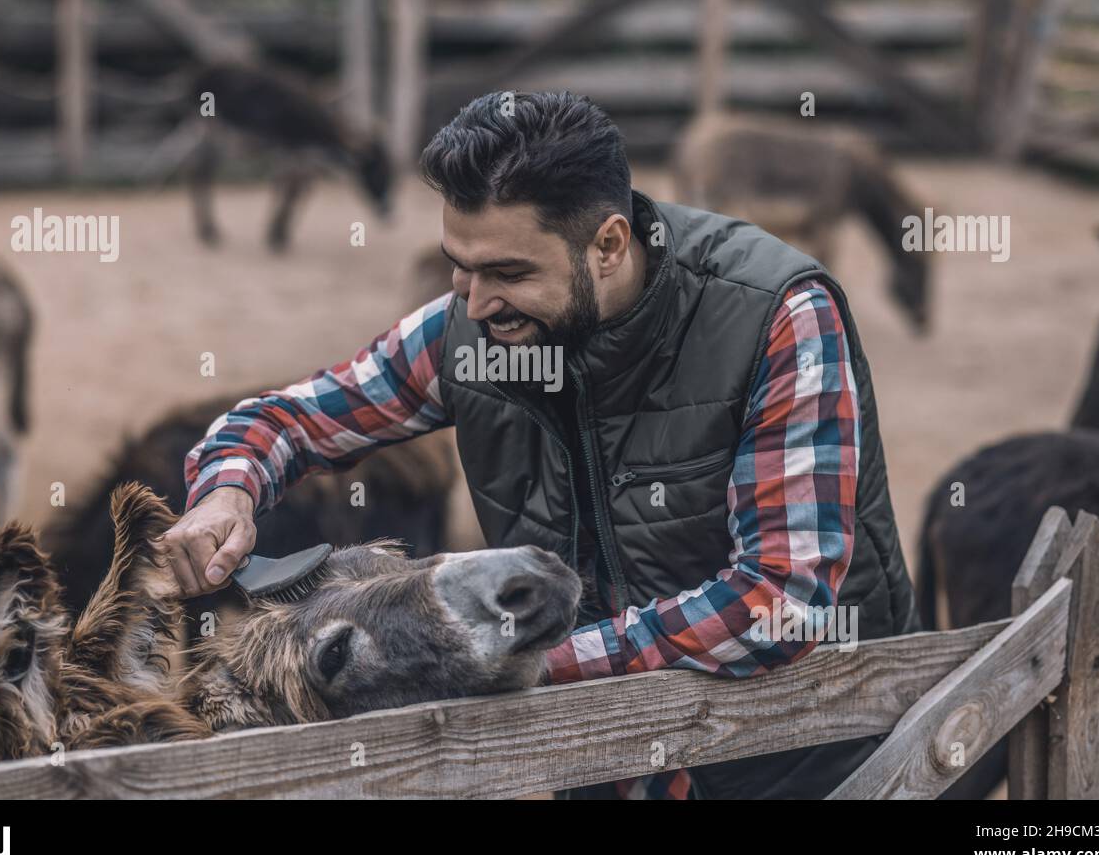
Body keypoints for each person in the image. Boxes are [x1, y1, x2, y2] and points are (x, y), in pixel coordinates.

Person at [161, 90, 920, 799]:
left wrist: (514, 652)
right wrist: (227, 490)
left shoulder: (775, 316)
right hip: (593, 759)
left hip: (811, 759)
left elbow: (777, 602)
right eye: (460, 267)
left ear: (609, 246)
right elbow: (283, 420)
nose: (476, 300)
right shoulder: (473, 326)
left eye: (508, 271)